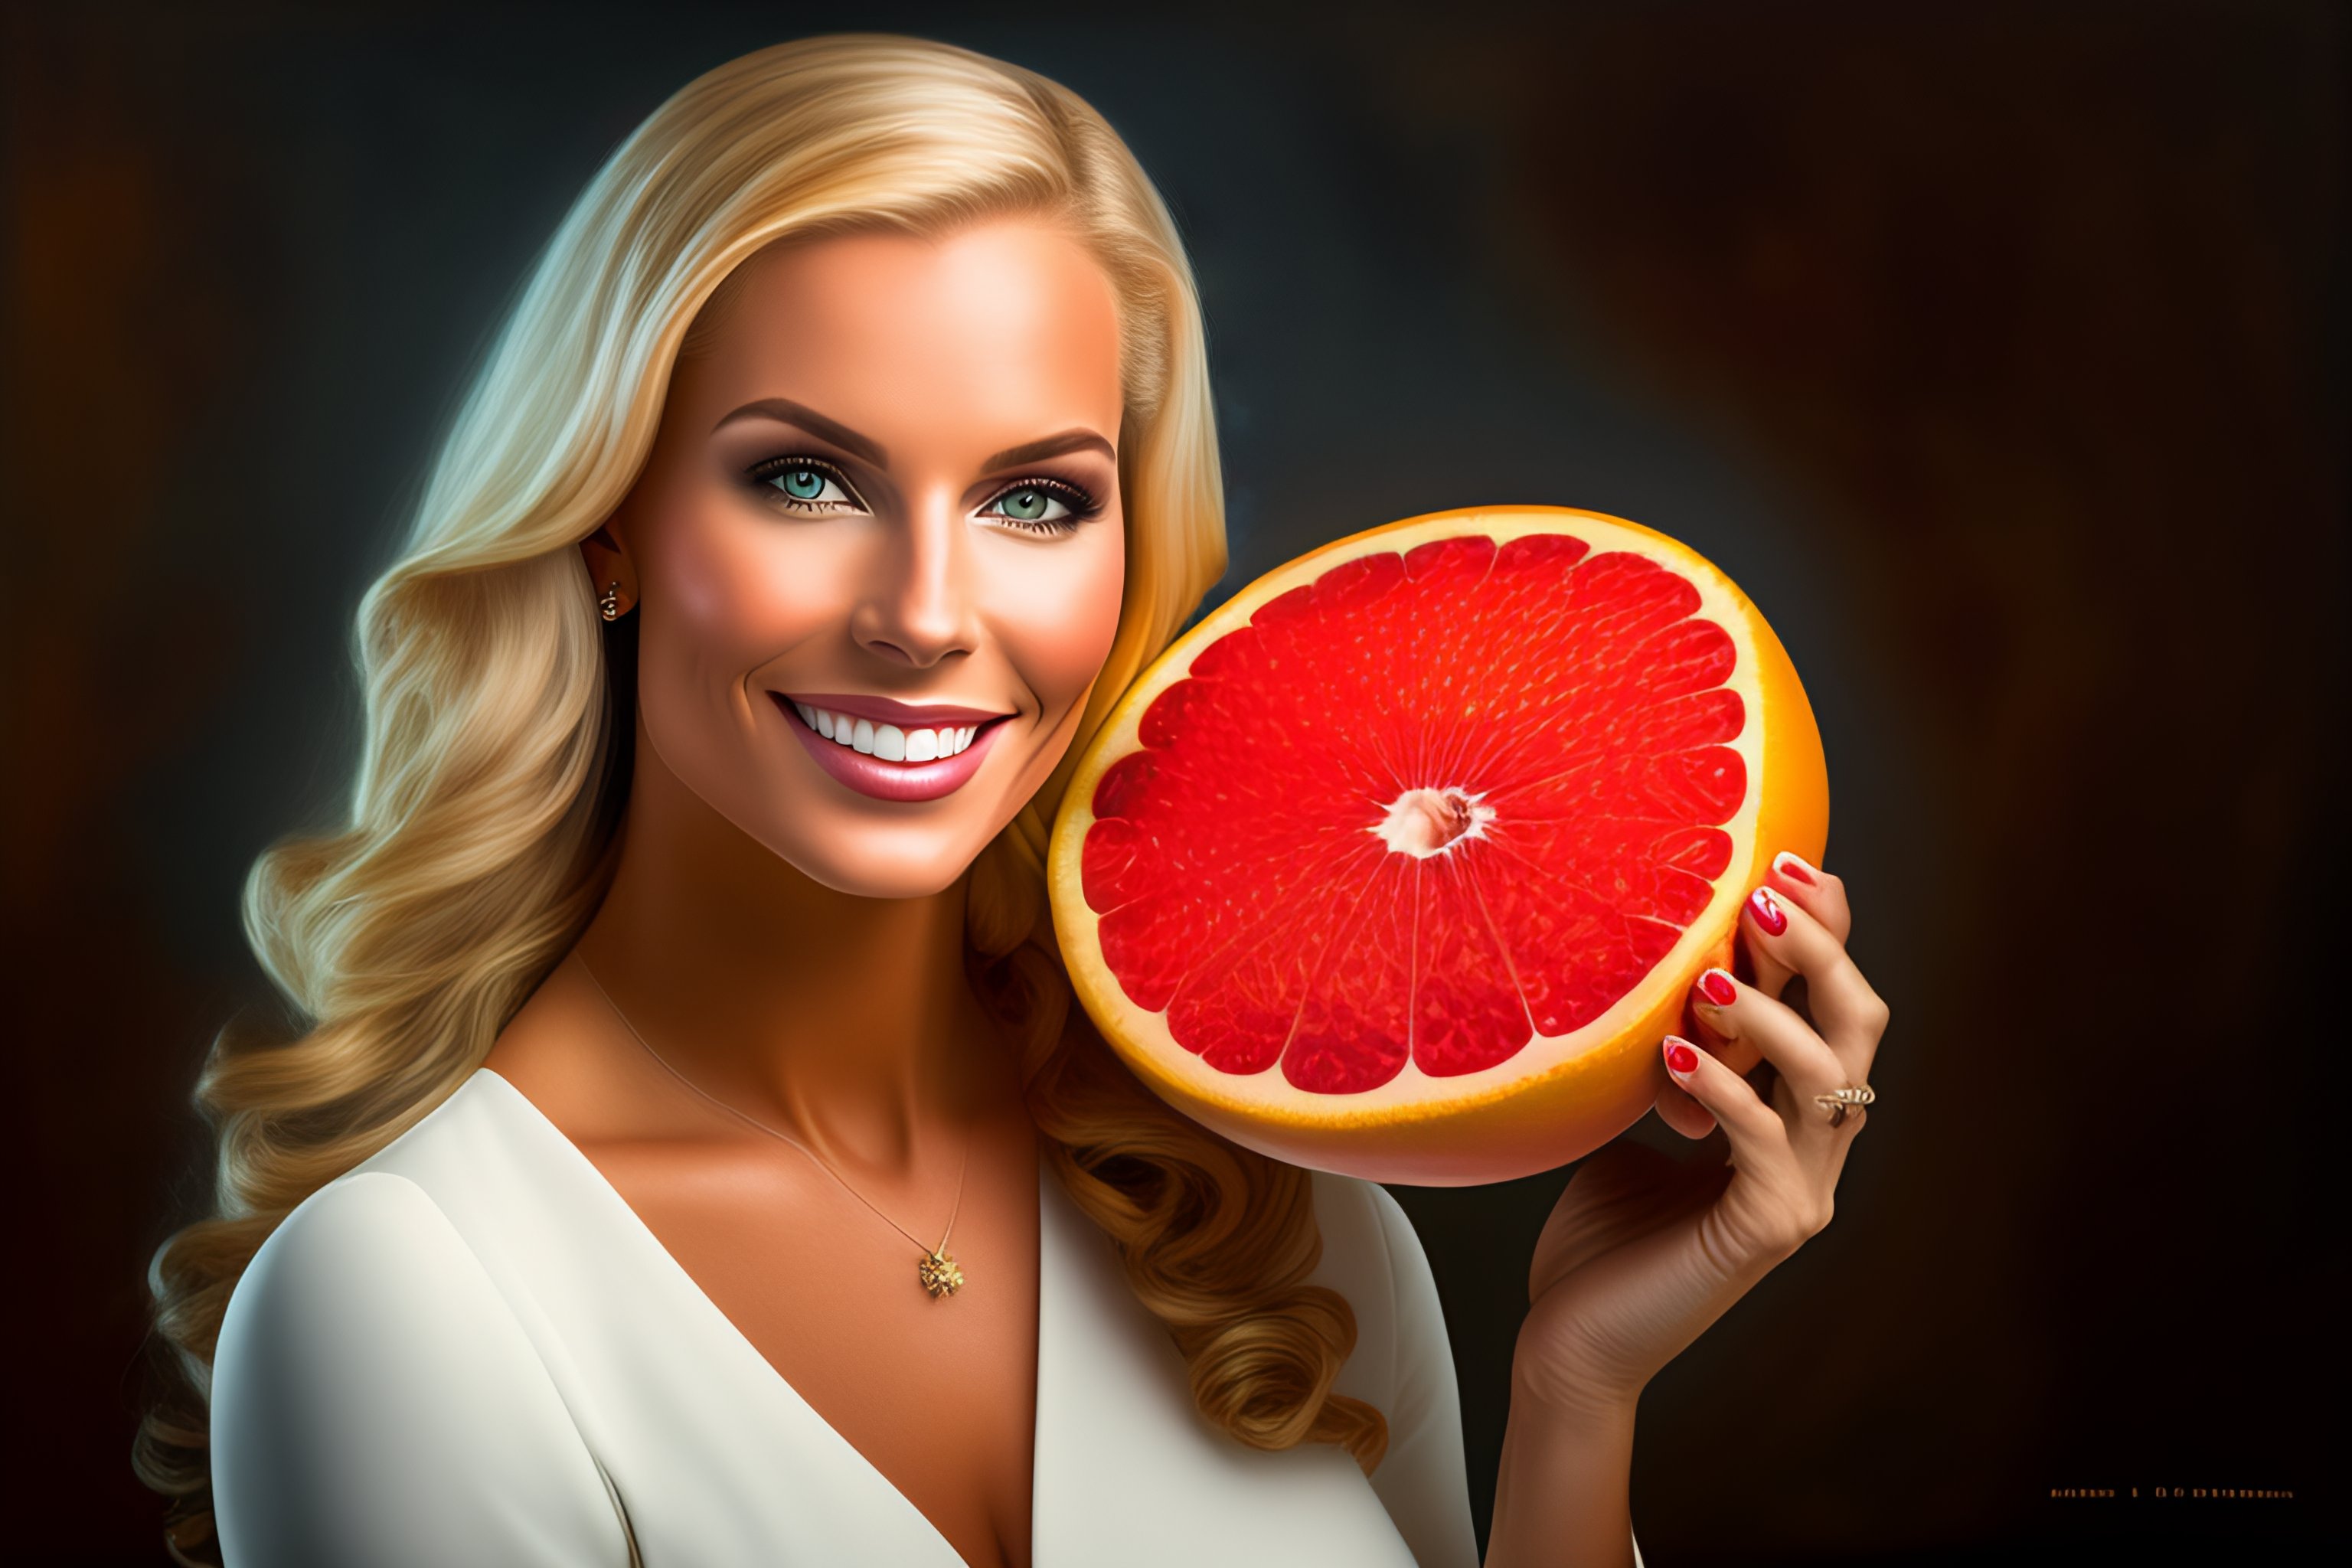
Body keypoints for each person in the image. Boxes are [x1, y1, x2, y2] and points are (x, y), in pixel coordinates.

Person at [137, 33, 1888, 1568]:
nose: (923, 614)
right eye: (805, 478)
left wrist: (1575, 1394)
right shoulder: (405, 1308)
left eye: (1035, 501)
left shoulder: (1255, 1188)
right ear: (610, 515)